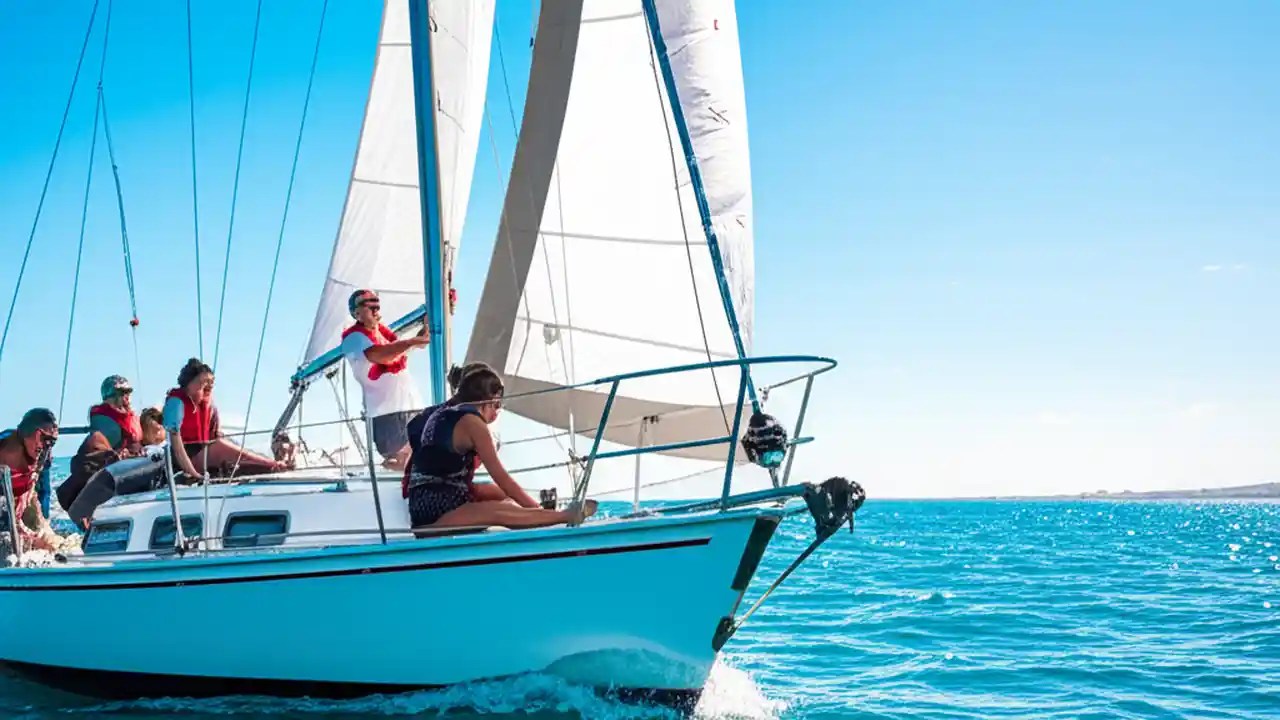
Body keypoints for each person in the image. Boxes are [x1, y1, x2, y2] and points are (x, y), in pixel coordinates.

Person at [406, 363, 597, 530]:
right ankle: (562, 517)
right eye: (497, 406)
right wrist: (537, 513)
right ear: (489, 400)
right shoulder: (473, 423)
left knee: (498, 495)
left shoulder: (442, 413)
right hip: (437, 512)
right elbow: (502, 478)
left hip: (425, 502)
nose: (497, 412)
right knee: (499, 511)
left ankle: (537, 514)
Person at [340, 289, 428, 470]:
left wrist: (436, 315)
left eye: (376, 301)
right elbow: (379, 356)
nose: (375, 306)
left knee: (421, 457)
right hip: (387, 415)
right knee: (404, 461)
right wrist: (410, 342)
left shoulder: (384, 334)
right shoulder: (354, 337)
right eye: (367, 303)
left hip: (409, 408)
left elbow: (414, 345)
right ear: (356, 313)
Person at [163, 358, 287, 479]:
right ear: (189, 383)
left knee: (229, 445)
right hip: (185, 459)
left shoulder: (208, 406)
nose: (209, 387)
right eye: (204, 382)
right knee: (220, 447)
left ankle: (271, 464)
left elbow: (216, 435)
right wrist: (193, 473)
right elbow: (177, 446)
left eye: (212, 383)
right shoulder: (176, 403)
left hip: (205, 455)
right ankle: (272, 465)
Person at [66, 408, 171, 529]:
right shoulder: (149, 452)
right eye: (154, 430)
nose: (157, 433)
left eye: (158, 428)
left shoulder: (151, 451)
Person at [0, 408, 67, 553]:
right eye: (44, 439)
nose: (45, 448)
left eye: (51, 442)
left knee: (56, 545)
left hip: (23, 502)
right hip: (7, 512)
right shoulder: (6, 447)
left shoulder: (41, 458)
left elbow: (37, 493)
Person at [89, 374, 142, 452]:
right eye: (121, 393)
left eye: (128, 392)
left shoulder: (133, 417)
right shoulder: (102, 417)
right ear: (108, 398)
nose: (126, 397)